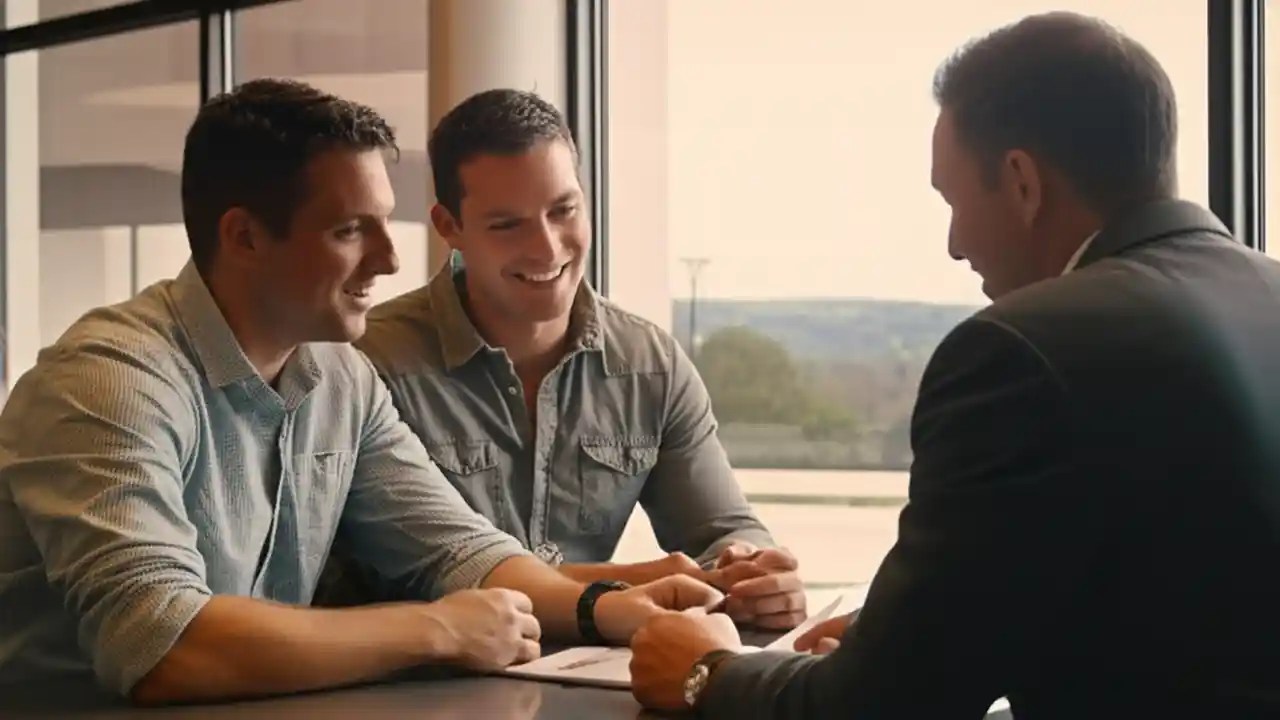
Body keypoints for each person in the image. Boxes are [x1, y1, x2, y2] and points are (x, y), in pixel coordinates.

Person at [628, 12, 1280, 718]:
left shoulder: (1021, 352)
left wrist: (704, 671)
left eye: (953, 199)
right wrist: (925, 635)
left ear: (1023, 182)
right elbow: (1180, 612)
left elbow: (879, 709)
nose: (954, 244)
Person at [0, 78, 721, 706]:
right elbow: (161, 645)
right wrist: (438, 629)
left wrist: (613, 609)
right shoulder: (107, 383)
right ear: (245, 237)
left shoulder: (339, 376)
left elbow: (459, 551)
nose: (392, 257)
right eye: (352, 230)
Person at [340, 88, 805, 630]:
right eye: (507, 225)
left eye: (564, 210)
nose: (546, 247)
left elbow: (721, 531)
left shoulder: (649, 363)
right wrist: (625, 584)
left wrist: (754, 572)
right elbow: (419, 577)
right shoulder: (368, 363)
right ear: (449, 227)